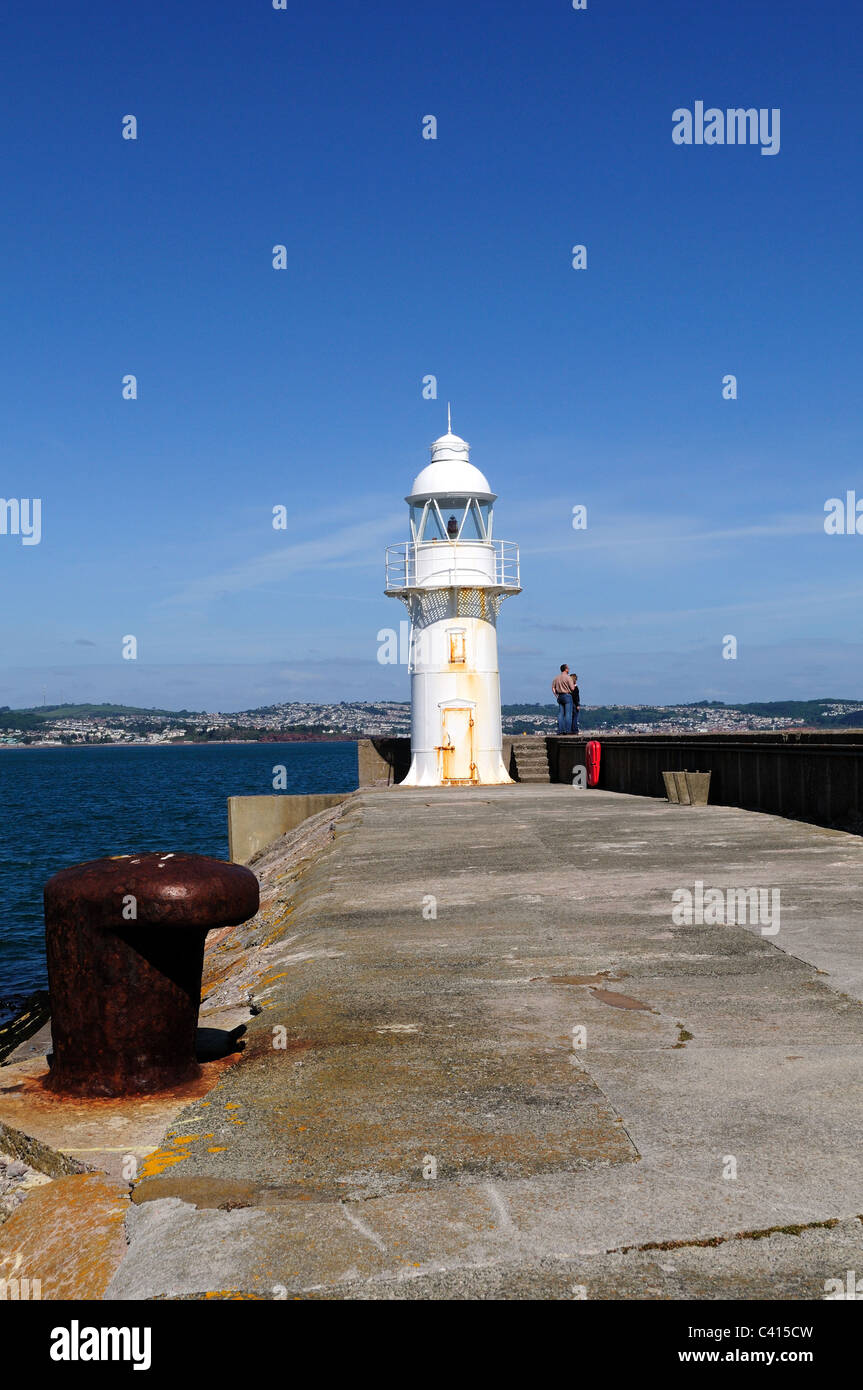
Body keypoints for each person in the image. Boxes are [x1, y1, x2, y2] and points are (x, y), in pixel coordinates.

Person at [551, 663, 577, 734]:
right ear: (566, 669)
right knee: (568, 714)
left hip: (560, 696)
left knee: (560, 714)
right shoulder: (568, 677)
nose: (569, 669)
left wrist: (556, 695)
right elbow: (572, 688)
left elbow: (553, 687)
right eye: (568, 668)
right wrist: (574, 686)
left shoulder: (556, 678)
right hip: (567, 695)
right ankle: (567, 730)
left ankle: (560, 730)